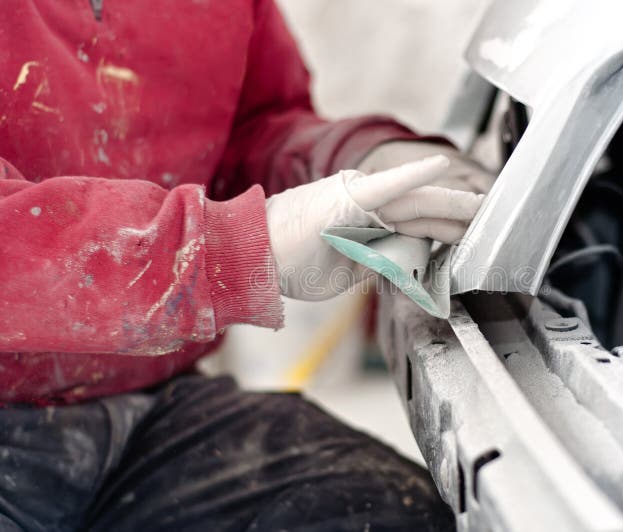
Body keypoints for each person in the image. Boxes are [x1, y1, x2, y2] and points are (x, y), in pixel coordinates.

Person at [0, 2, 492, 531]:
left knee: (392, 515)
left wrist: (362, 158)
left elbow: (254, 125)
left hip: (149, 412)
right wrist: (227, 248)